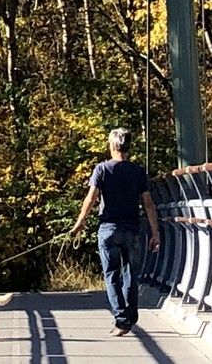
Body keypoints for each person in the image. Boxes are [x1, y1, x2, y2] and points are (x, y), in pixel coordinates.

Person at [70, 127, 160, 337]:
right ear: (128, 147)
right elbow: (148, 203)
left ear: (112, 145)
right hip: (132, 230)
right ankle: (131, 316)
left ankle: (121, 320)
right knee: (130, 275)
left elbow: (91, 198)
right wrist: (155, 232)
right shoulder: (138, 172)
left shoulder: (102, 169)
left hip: (108, 229)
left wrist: (80, 222)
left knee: (111, 274)